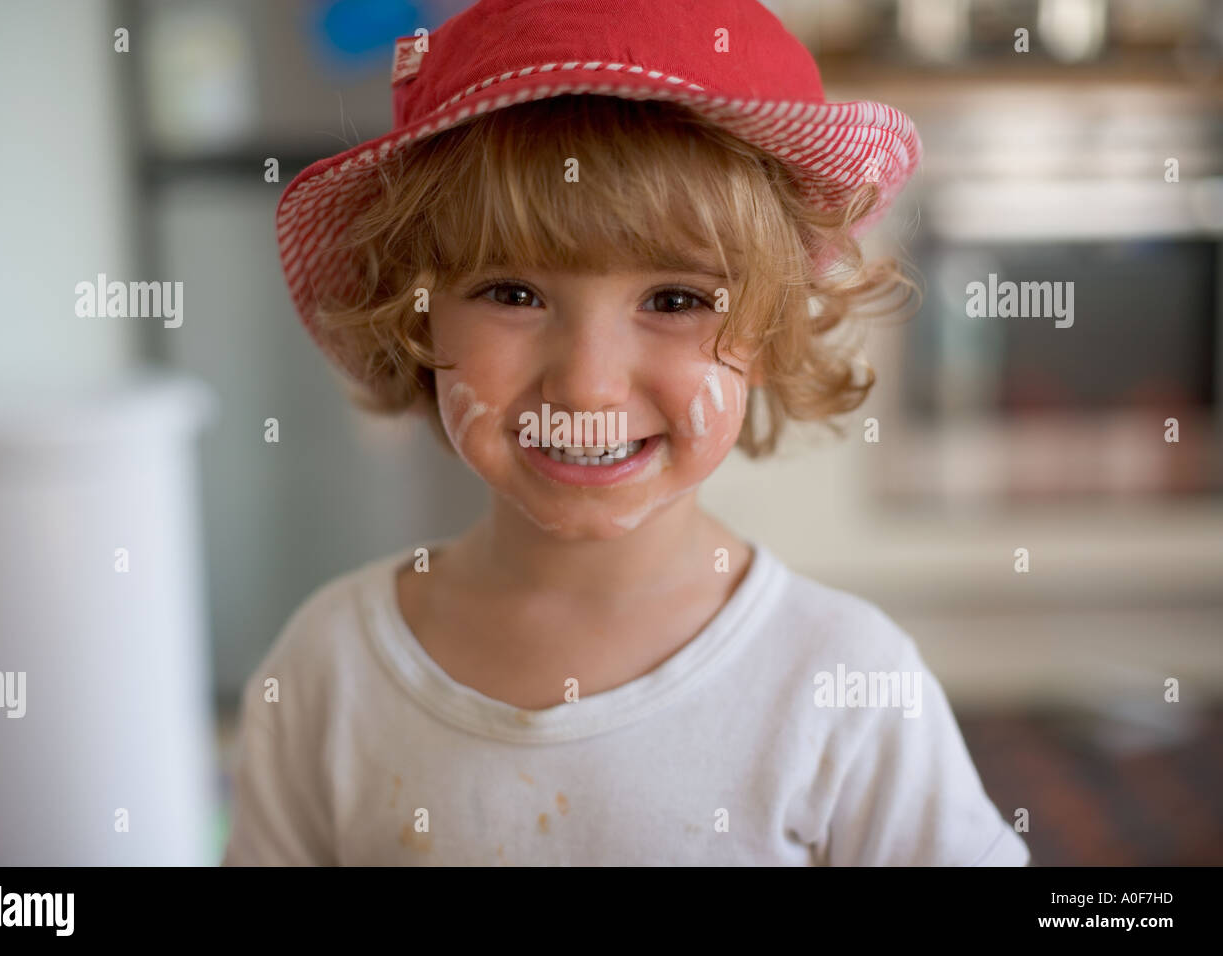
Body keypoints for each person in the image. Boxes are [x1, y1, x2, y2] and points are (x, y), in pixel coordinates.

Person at [222, 0, 1029, 866]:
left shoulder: (844, 682)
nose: (587, 382)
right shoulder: (327, 672)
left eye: (676, 301)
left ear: (767, 337)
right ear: (420, 322)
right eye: (512, 293)